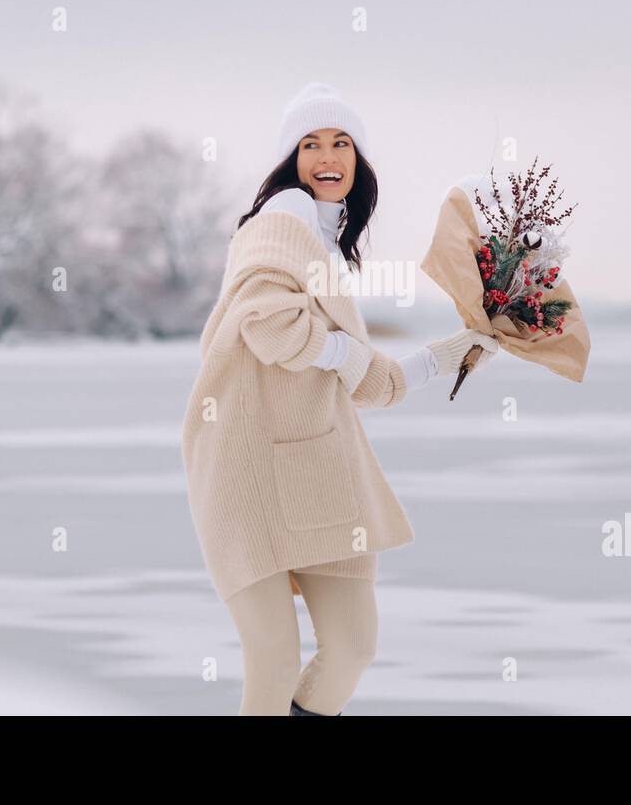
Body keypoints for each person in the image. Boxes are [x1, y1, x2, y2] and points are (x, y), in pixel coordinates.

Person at [180, 82, 498, 715]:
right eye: (311, 143)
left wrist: (448, 354)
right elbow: (269, 327)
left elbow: (366, 383)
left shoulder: (323, 246)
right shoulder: (284, 216)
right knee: (272, 659)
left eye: (341, 142)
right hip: (245, 469)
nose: (328, 155)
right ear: (289, 161)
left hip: (315, 473)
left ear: (357, 160)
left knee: (351, 647)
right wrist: (348, 353)